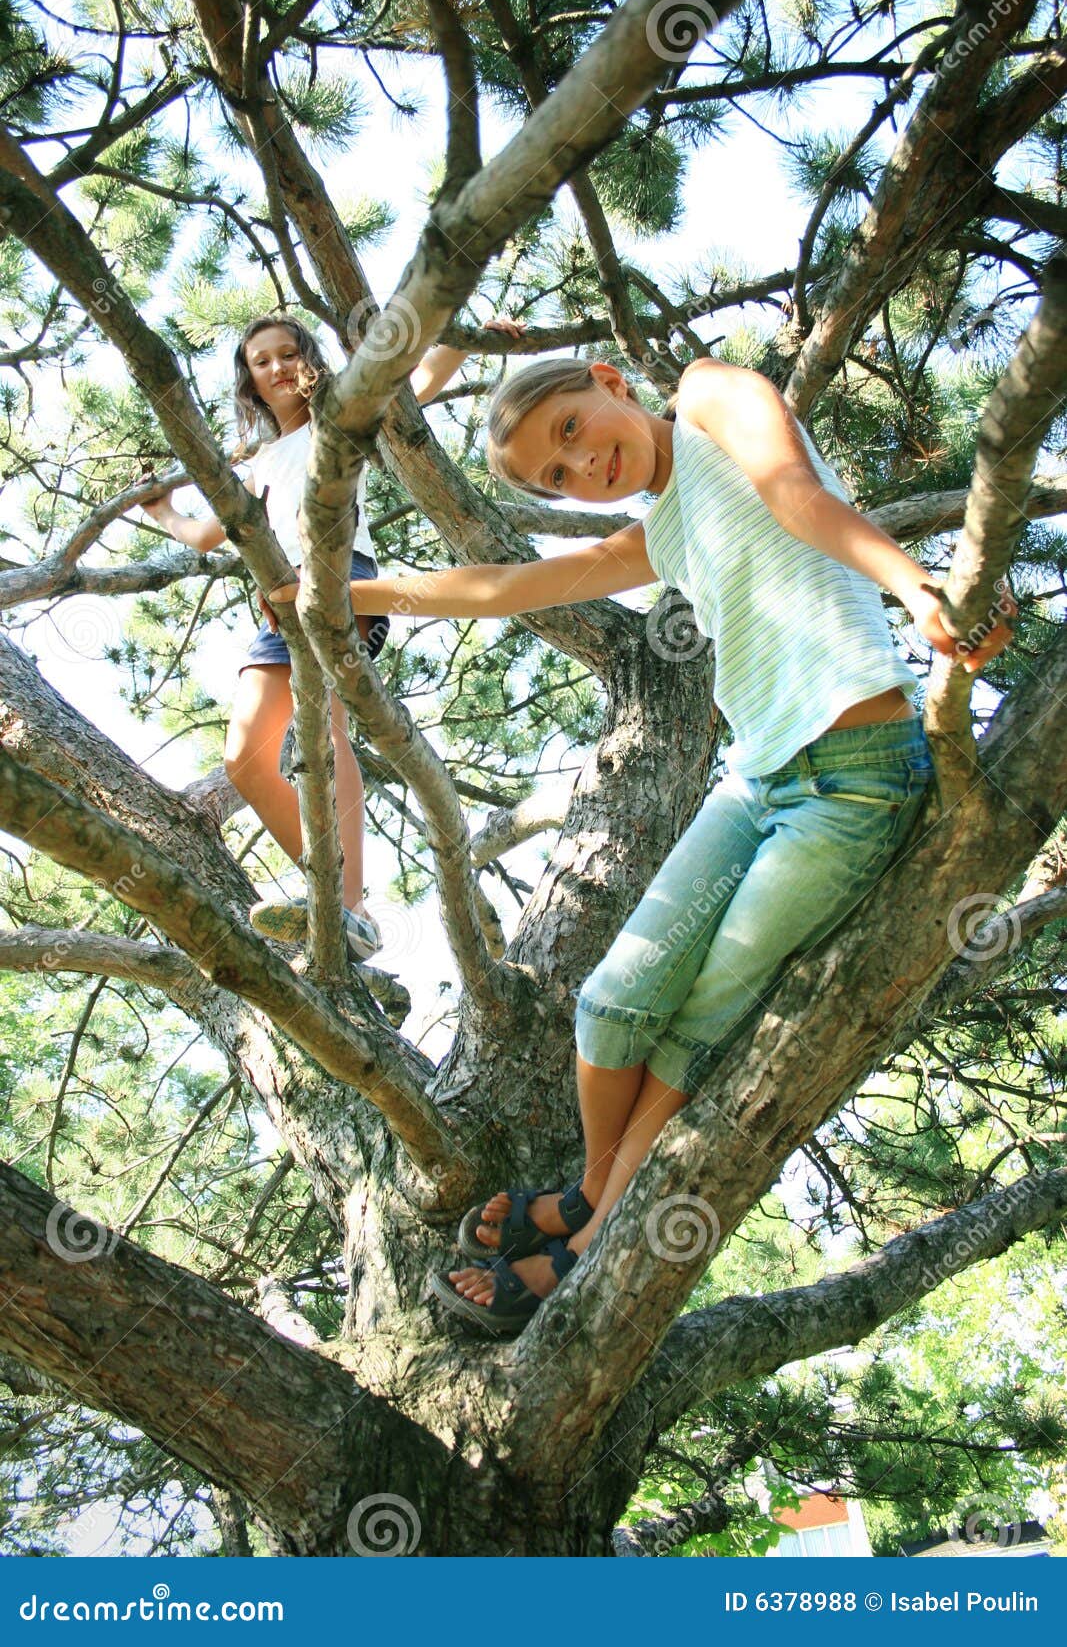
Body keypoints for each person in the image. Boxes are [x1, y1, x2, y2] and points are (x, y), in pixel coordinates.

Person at [266, 353, 1017, 1332]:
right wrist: (350, 595)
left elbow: (790, 491)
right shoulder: (657, 531)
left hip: (855, 779)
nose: (582, 470)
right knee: (612, 1004)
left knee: (704, 1010)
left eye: (571, 433)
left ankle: (582, 1248)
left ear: (608, 380)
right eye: (555, 479)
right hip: (754, 781)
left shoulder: (707, 396)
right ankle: (586, 1190)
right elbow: (502, 587)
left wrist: (917, 586)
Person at [137, 312, 521, 962]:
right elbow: (207, 535)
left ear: (309, 360)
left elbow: (414, 385)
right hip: (278, 604)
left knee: (328, 726)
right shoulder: (258, 459)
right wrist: (163, 510)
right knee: (247, 756)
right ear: (250, 382)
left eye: (288, 354)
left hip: (343, 581)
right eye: (262, 361)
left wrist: (461, 338)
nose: (278, 367)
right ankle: (343, 903)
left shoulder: (339, 418)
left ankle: (344, 901)